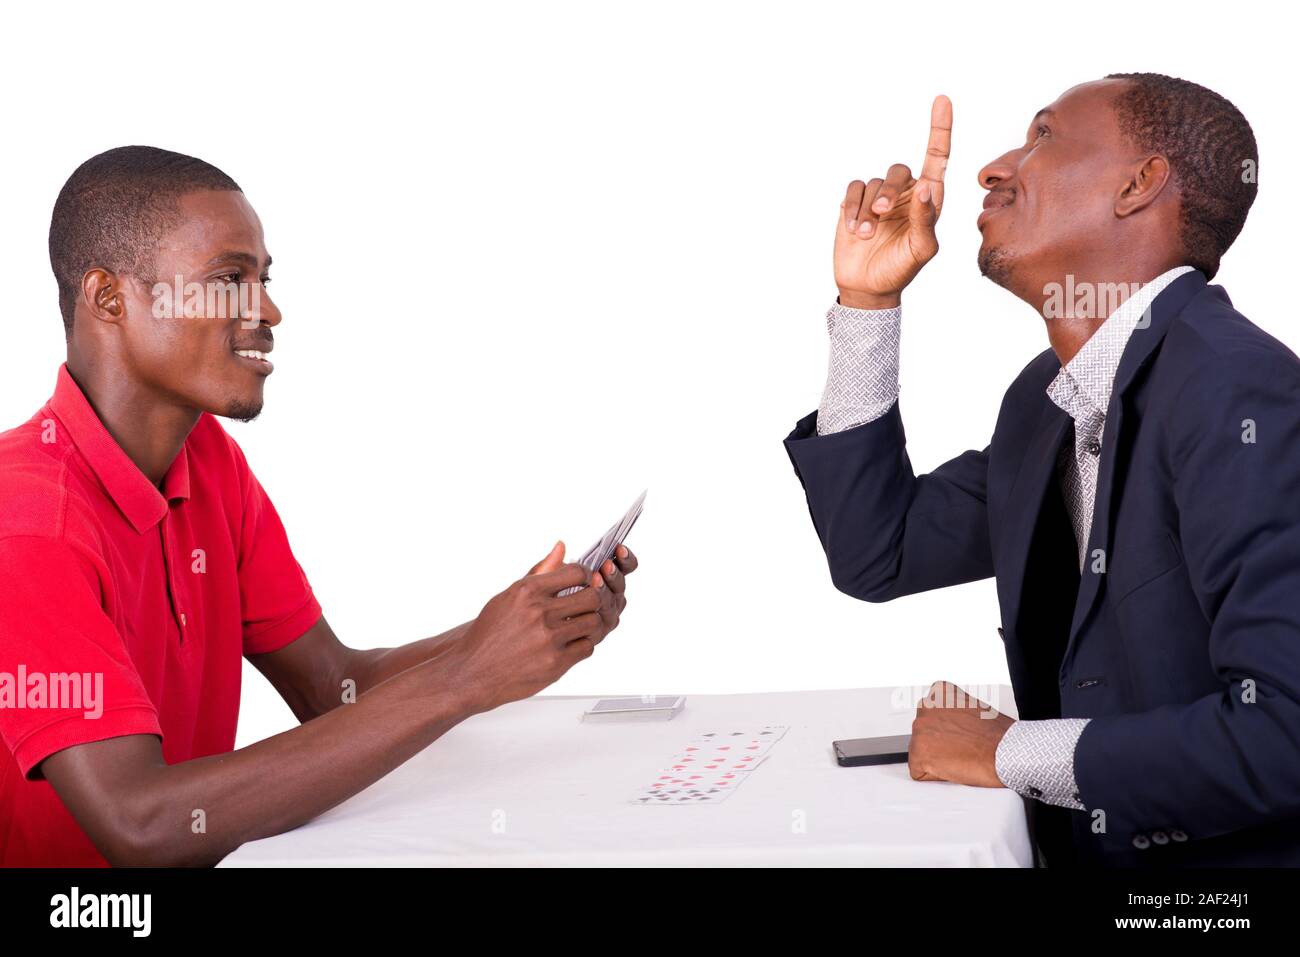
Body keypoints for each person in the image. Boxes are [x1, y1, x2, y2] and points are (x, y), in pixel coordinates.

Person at [0, 146, 638, 867]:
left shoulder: (209, 464)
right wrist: (466, 678)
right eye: (228, 279)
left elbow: (331, 687)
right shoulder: (24, 521)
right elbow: (139, 825)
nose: (267, 309)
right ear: (110, 298)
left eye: (263, 280)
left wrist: (517, 630)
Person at [785, 74, 1300, 866]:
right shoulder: (1045, 401)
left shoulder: (1239, 389)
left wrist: (1008, 752)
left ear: (1140, 184)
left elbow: (1285, 735)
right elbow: (877, 552)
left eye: (1044, 136)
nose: (994, 167)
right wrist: (866, 304)